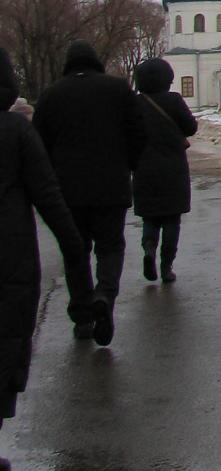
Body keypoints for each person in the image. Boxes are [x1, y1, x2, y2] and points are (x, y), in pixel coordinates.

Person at [0, 47, 99, 471]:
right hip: (9, 257)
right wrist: (73, 245)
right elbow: (46, 191)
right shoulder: (14, 132)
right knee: (5, 341)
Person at [31, 42, 145, 347]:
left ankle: (82, 317)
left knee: (75, 251)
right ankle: (105, 296)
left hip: (67, 191)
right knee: (110, 246)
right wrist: (127, 164)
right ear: (96, 62)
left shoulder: (51, 95)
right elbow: (138, 134)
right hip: (111, 185)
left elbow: (37, 145)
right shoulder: (119, 90)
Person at [131, 59, 197, 283]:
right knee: (171, 219)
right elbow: (191, 128)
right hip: (173, 169)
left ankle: (149, 248)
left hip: (143, 169)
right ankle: (166, 267)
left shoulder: (134, 104)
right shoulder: (174, 101)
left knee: (150, 218)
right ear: (167, 80)